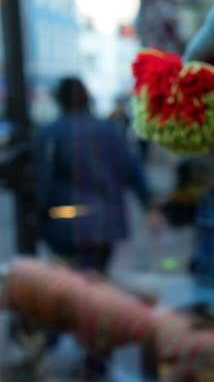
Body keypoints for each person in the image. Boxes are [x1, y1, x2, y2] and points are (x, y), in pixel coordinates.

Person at [33, 77, 161, 273]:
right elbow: (132, 170)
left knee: (71, 282)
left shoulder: (49, 133)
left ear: (60, 100)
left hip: (66, 219)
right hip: (105, 220)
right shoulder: (110, 130)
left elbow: (44, 184)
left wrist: (40, 218)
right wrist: (149, 207)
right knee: (97, 279)